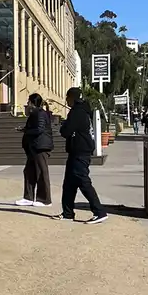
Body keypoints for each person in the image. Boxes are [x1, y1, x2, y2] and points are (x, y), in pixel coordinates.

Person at [60, 88, 108, 224]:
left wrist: (64, 125)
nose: (66, 100)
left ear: (73, 98)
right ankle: (67, 213)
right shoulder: (82, 111)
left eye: (67, 97)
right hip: (76, 150)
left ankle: (99, 212)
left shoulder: (77, 112)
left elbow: (65, 131)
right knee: (69, 183)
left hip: (81, 151)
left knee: (82, 180)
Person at [16, 92, 53, 207]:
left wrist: (26, 131)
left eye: (28, 101)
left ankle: (44, 199)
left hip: (40, 147)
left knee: (41, 172)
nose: (27, 104)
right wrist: (24, 129)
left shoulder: (40, 114)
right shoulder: (35, 113)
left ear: (32, 103)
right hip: (33, 147)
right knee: (29, 171)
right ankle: (28, 197)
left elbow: (39, 129)